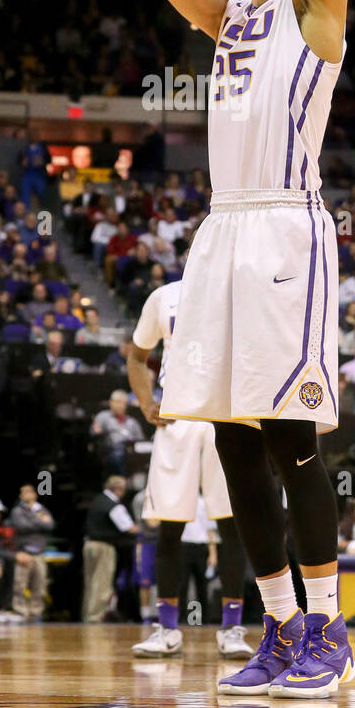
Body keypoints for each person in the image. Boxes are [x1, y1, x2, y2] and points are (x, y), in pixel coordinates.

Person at [149, 0, 355, 700]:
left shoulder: (318, 6)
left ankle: (327, 628)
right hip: (220, 229)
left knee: (288, 438)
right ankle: (275, 630)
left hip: (284, 227)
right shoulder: (227, 13)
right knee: (231, 439)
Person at [127, 265, 251, 660]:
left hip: (226, 416)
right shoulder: (164, 297)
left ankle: (232, 628)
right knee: (169, 526)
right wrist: (146, 403)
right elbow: (137, 355)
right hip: (176, 416)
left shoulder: (240, 292)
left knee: (231, 526)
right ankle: (166, 628)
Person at [82, 476, 138, 624]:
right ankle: (95, 617)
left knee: (90, 582)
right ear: (119, 489)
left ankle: (87, 614)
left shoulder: (97, 500)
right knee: (101, 583)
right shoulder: (114, 505)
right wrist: (145, 530)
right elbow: (128, 528)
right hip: (104, 547)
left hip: (89, 545)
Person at [6, 485, 55, 622]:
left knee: (40, 585)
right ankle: (21, 611)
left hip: (39, 552)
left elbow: (50, 525)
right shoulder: (17, 511)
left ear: (35, 494)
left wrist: (33, 520)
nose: (27, 495)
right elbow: (21, 526)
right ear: (21, 496)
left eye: (29, 492)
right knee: (20, 585)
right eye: (24, 492)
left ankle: (36, 612)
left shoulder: (41, 509)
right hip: (24, 551)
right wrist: (40, 521)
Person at [90, 392, 143, 478]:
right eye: (117, 402)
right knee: (119, 453)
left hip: (131, 451)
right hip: (111, 451)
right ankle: (123, 480)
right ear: (111, 403)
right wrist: (96, 430)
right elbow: (94, 433)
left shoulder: (132, 421)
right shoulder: (103, 416)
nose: (120, 406)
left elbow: (141, 440)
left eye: (122, 403)